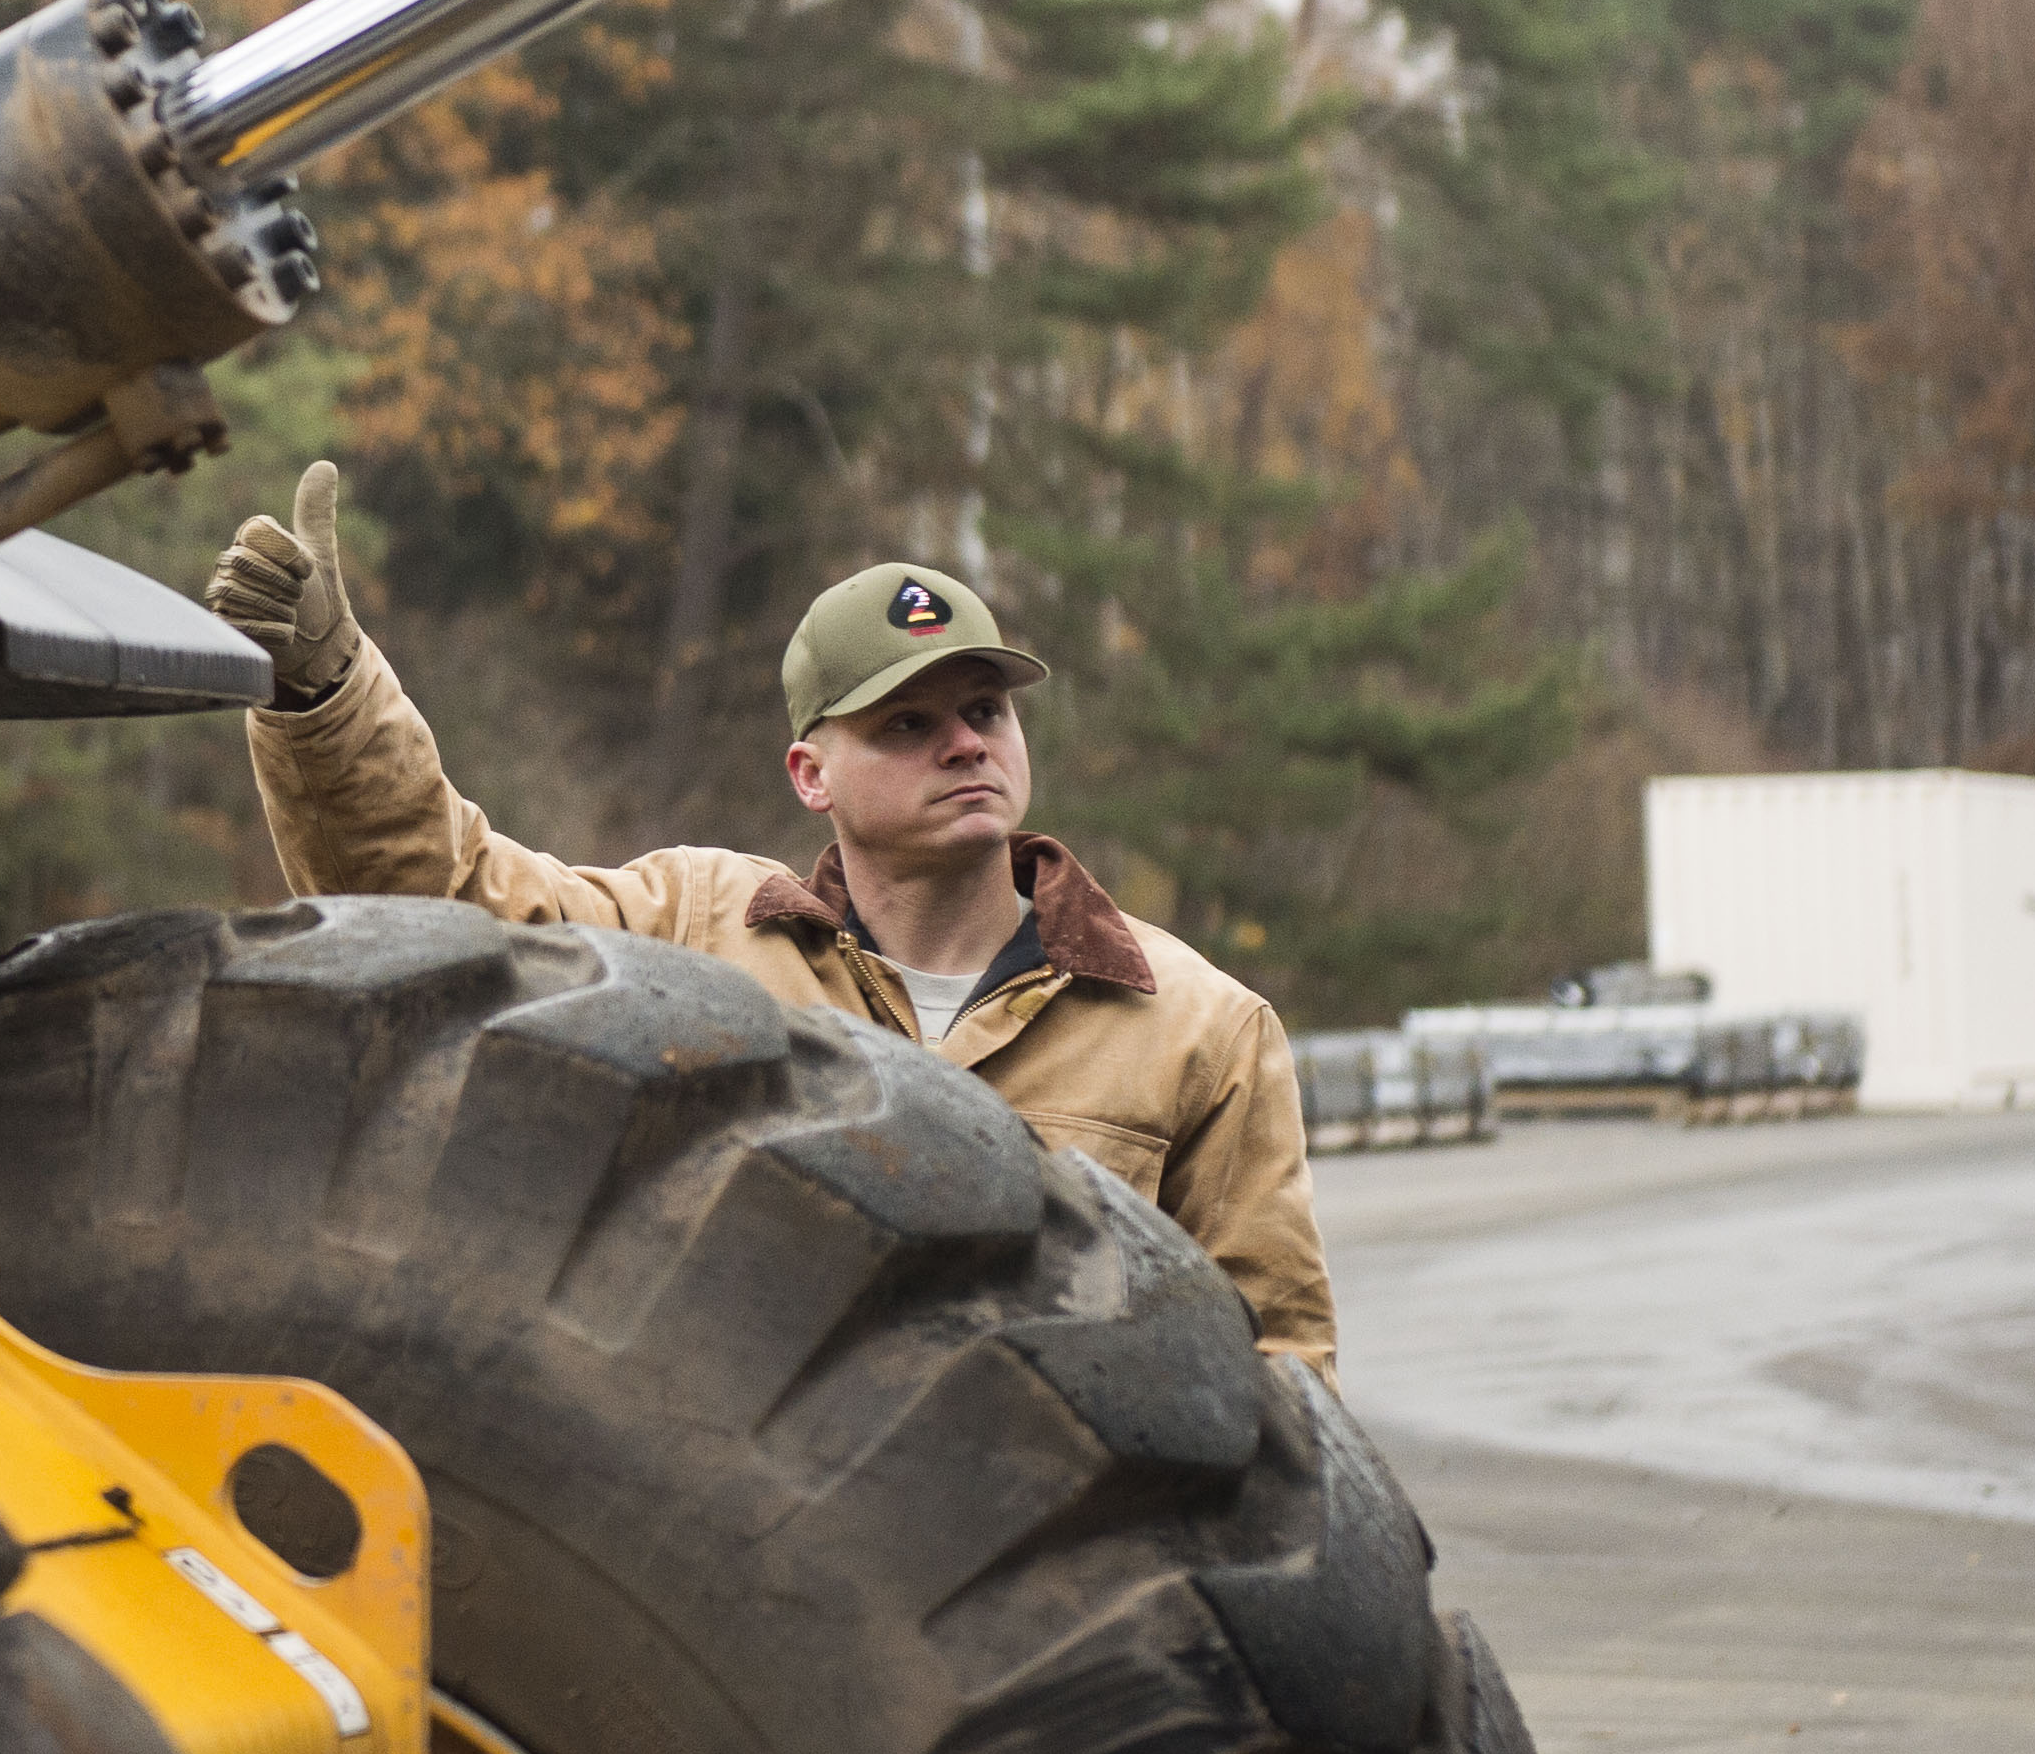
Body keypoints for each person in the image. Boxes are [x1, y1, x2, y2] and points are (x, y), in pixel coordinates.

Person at [206, 462, 1337, 1373]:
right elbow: (451, 908)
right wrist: (325, 695)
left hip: (1039, 1586)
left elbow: (1278, 1368)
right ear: (809, 772)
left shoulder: (1193, 1023)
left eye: (985, 710)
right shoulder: (699, 930)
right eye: (904, 724)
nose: (964, 743)